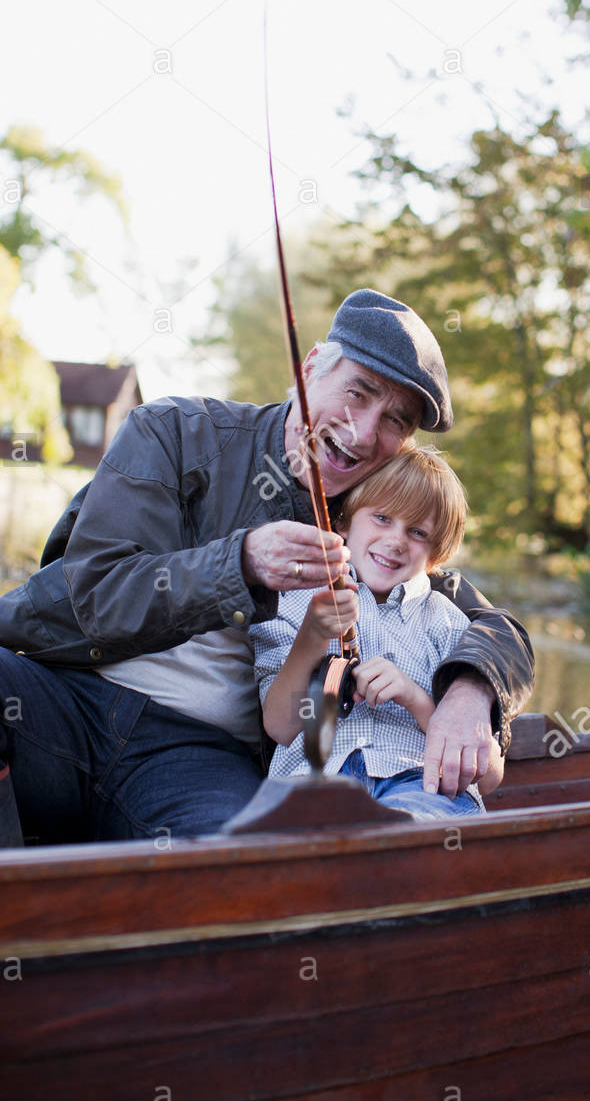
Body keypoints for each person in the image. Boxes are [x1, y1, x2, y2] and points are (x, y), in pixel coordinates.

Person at [0, 290, 534, 845]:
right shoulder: (176, 433)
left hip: (196, 757)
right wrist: (242, 562)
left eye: (394, 421)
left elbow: (497, 628)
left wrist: (470, 691)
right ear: (310, 370)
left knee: (238, 870)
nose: (360, 432)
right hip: (66, 701)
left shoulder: (376, 524)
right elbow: (90, 591)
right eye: (357, 393)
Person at [252, 446, 503, 820]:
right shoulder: (293, 601)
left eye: (417, 532)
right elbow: (279, 725)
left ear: (435, 555)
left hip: (420, 788)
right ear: (344, 524)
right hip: (316, 784)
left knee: (410, 833)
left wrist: (416, 698)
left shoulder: (452, 625)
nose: (397, 541)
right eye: (382, 517)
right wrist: (312, 637)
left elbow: (489, 776)